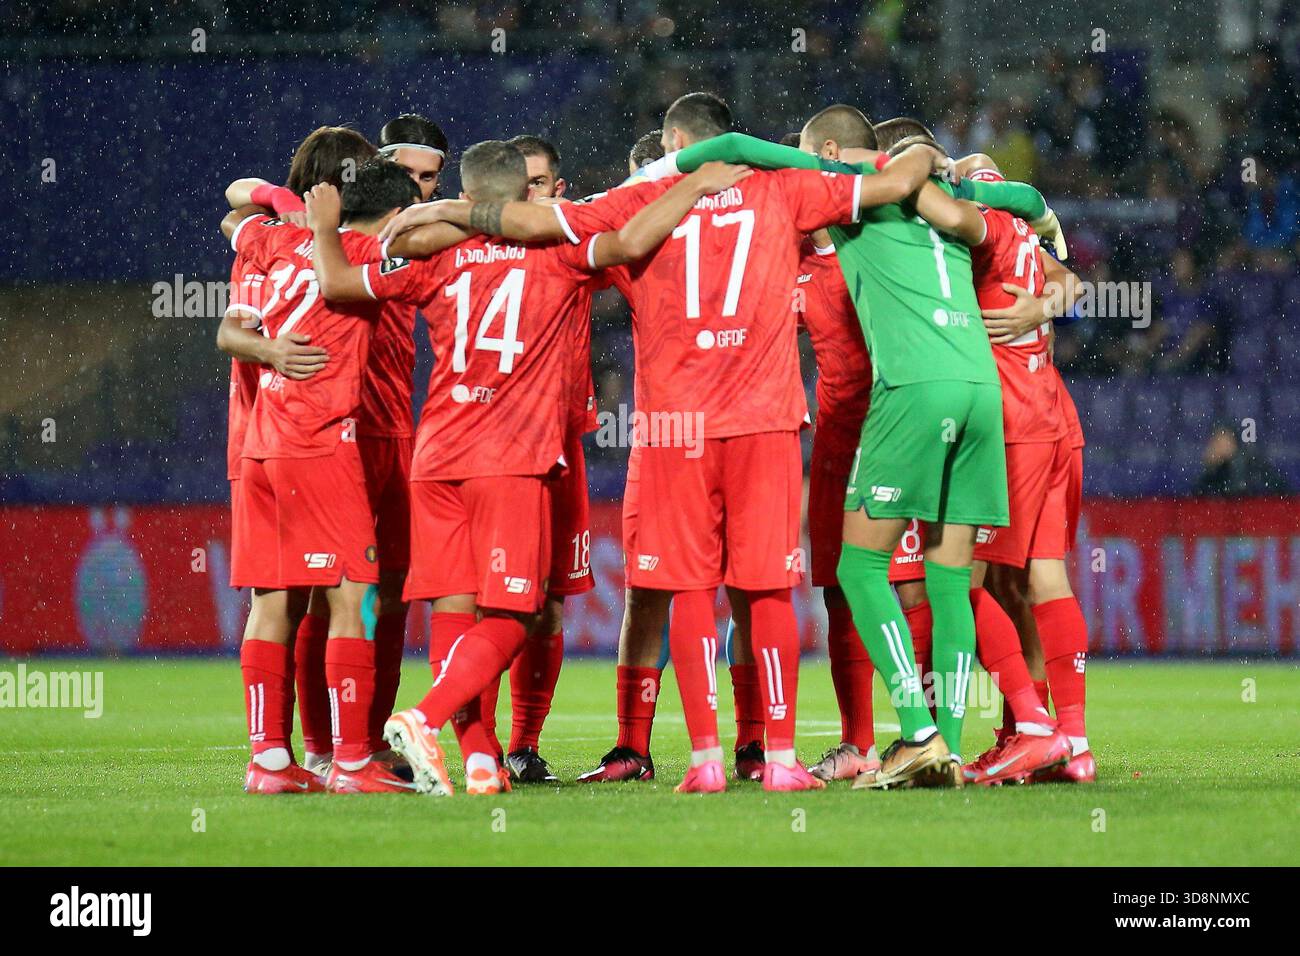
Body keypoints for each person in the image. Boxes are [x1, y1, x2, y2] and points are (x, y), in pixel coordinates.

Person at [379, 93, 952, 792]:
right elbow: (895, 184)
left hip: (674, 426)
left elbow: (533, 225)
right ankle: (776, 761)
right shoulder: (786, 187)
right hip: (763, 419)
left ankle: (705, 761)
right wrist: (935, 155)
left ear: (674, 141)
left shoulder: (641, 200)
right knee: (767, 589)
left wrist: (448, 209)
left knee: (685, 588)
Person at [311, 138, 754, 795]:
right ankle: (427, 717)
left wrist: (323, 228)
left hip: (435, 458)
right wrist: (691, 186)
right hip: (511, 457)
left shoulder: (437, 252)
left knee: (457, 612)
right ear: (526, 192)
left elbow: (340, 282)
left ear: (464, 190)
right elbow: (630, 242)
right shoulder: (560, 250)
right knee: (513, 615)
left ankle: (483, 759)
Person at [221, 159, 426, 794]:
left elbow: (233, 216)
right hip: (321, 444)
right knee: (354, 596)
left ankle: (270, 764)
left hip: (261, 443)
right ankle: (354, 761)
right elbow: (344, 280)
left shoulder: (280, 239)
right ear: (392, 217)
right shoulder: (374, 259)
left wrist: (295, 213)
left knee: (275, 601)